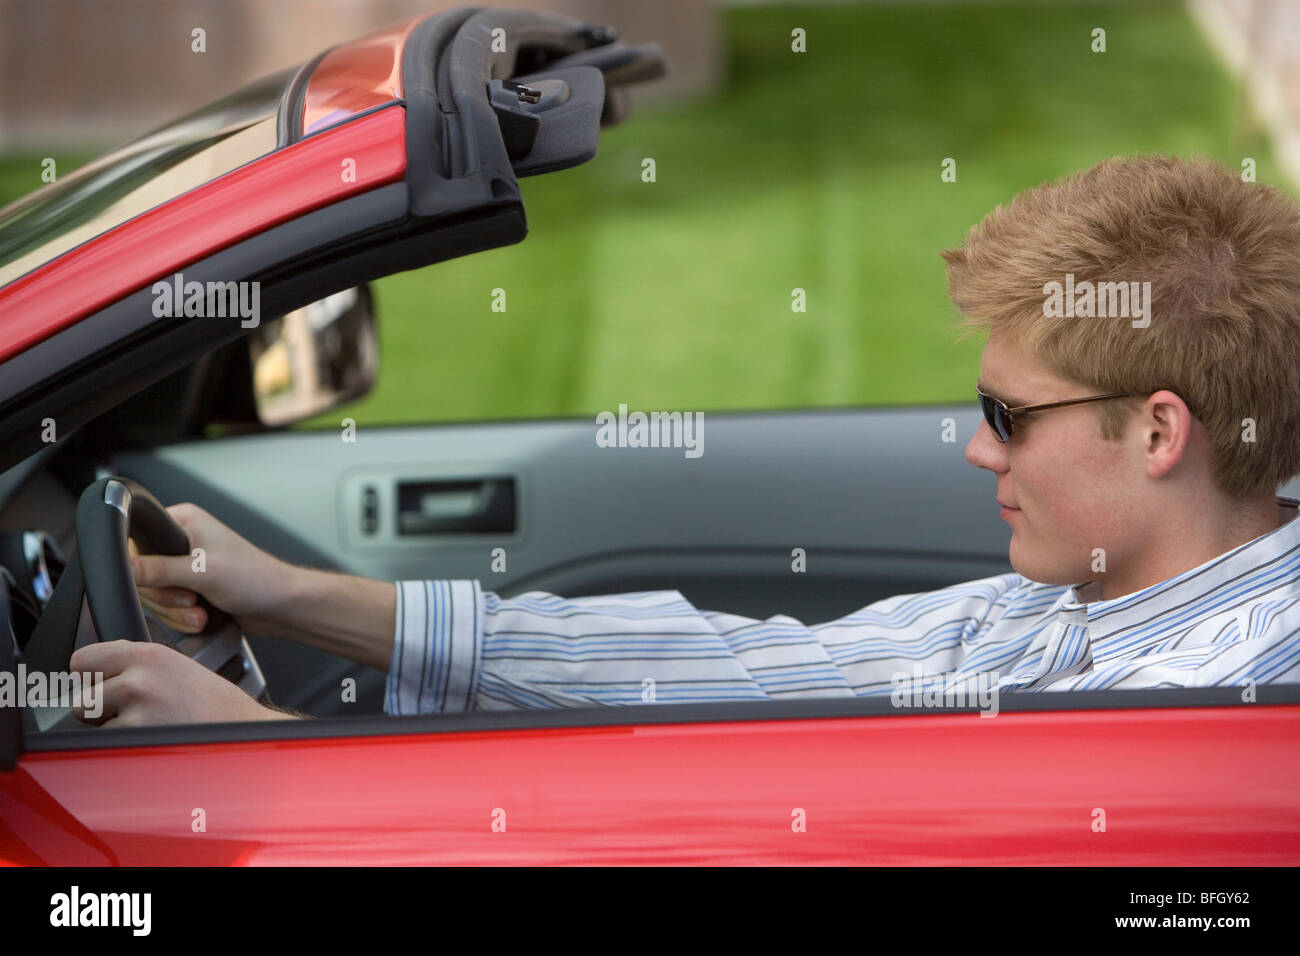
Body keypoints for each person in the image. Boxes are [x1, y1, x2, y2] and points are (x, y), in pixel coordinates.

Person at [71, 154, 1300, 726]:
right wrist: (292, 596)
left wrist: (255, 751)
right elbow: (740, 669)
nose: (978, 453)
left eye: (1006, 418)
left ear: (1155, 431)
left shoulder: (1213, 708)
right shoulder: (1064, 614)